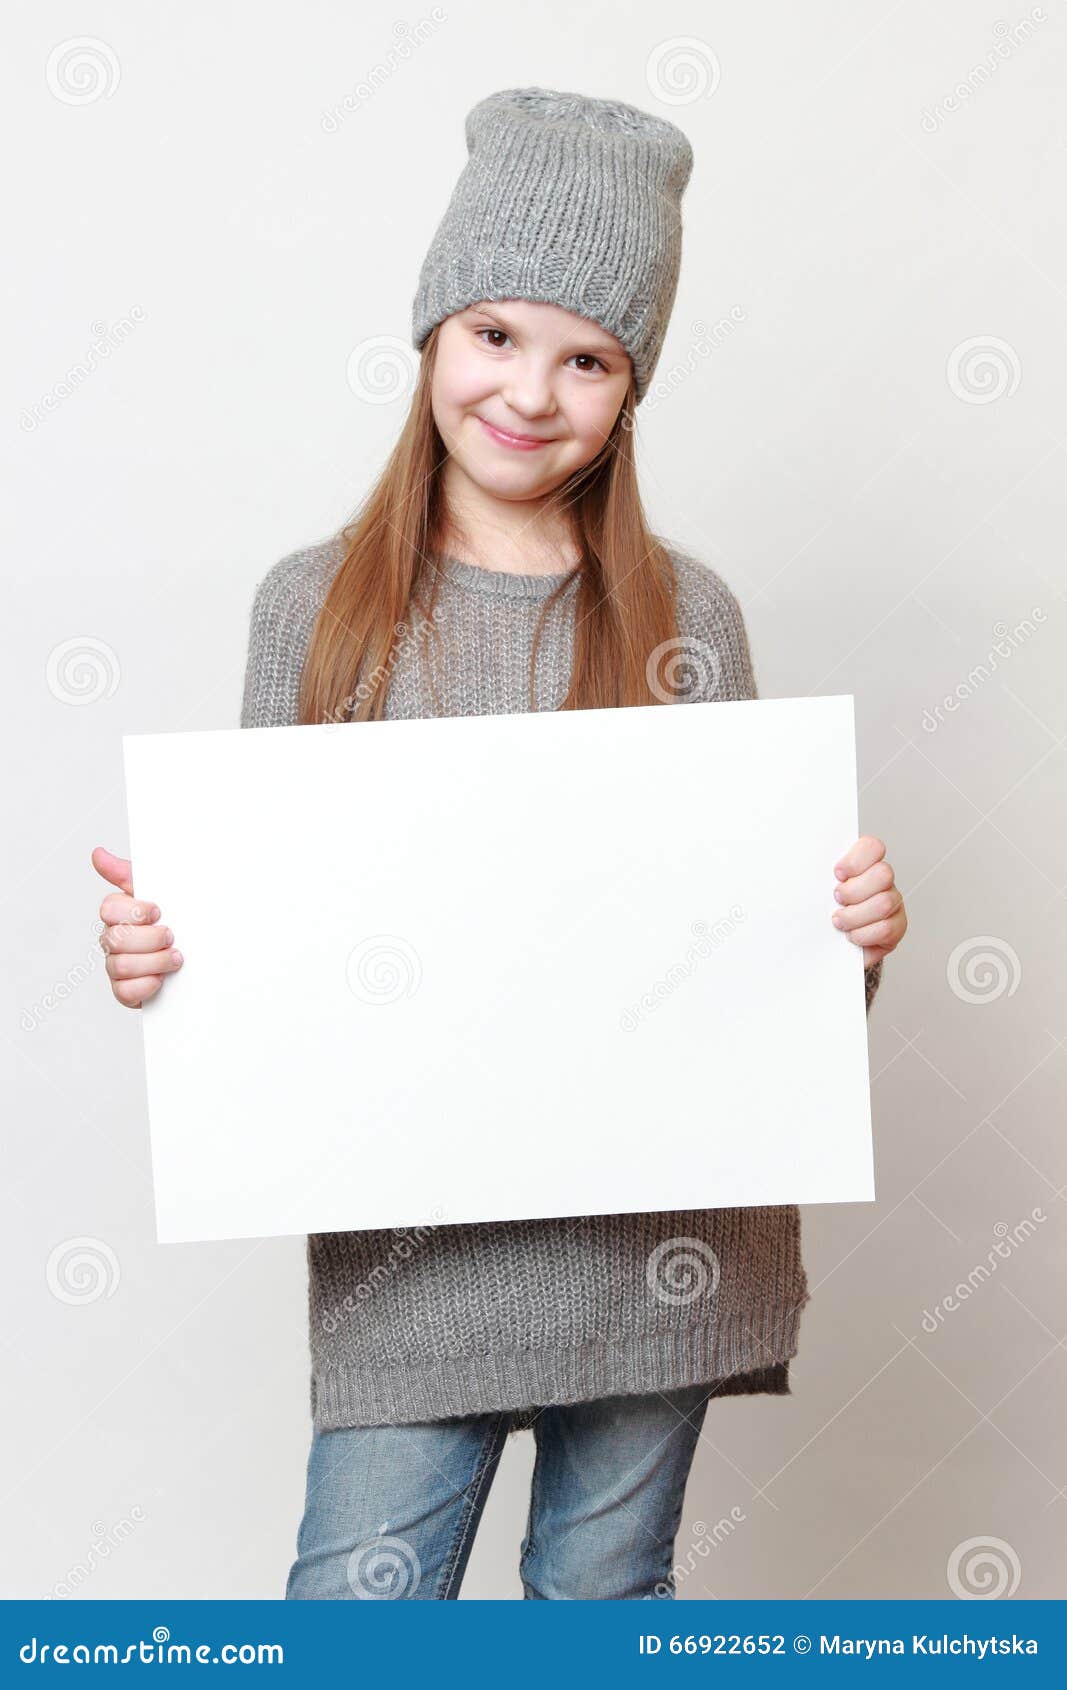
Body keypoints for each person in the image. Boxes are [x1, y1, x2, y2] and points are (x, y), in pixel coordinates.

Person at [91, 86, 908, 1600]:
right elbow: (269, 961)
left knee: (598, 1616)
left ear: (633, 386)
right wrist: (168, 961)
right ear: (430, 338)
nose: (532, 393)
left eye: (588, 357)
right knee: (359, 1620)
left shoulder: (690, 619)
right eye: (495, 336)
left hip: (658, 1251)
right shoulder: (314, 612)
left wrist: (843, 938)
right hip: (415, 1260)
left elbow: (757, 990)